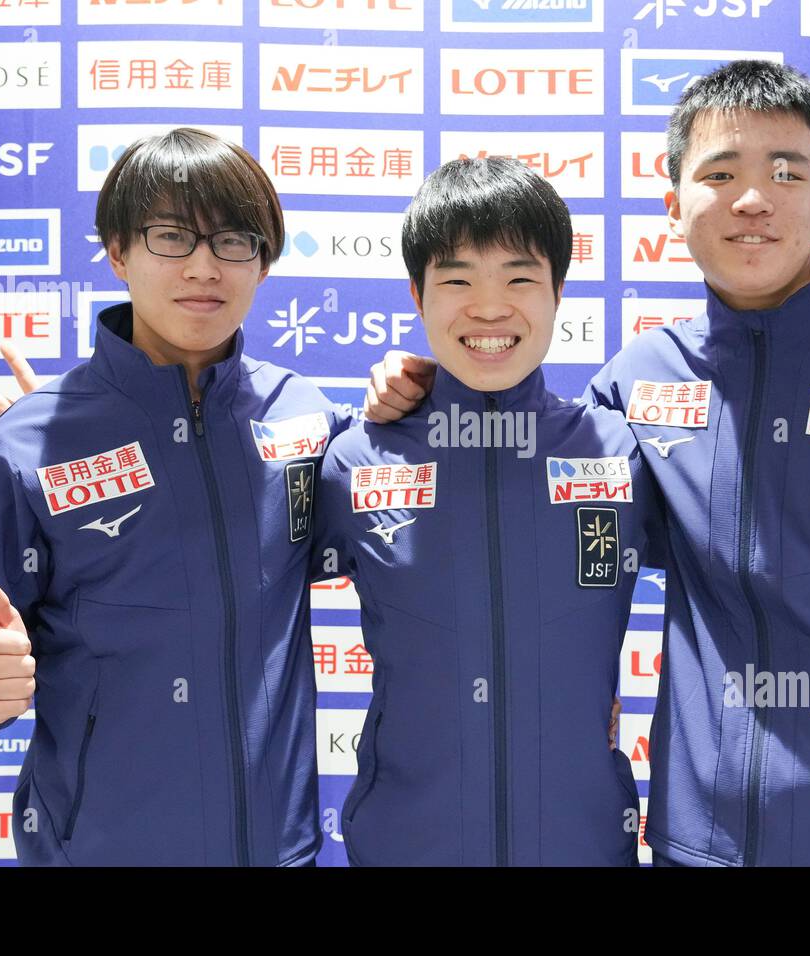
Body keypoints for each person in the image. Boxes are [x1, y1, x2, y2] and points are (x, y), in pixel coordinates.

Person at [367, 61, 810, 865]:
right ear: (672, 207)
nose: (752, 199)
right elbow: (544, 514)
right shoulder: (636, 382)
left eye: (784, 172)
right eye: (719, 173)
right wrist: (422, 398)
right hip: (702, 836)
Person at [0, 129, 348, 866]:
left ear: (265, 260)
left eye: (234, 241)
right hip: (99, 849)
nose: (203, 266)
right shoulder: (25, 444)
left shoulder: (305, 416)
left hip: (279, 850)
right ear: (118, 253)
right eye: (171, 236)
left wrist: (418, 399)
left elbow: (414, 535)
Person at [312, 158, 660, 866]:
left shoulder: (622, 452)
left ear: (560, 291)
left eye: (521, 277)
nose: (491, 307)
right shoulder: (357, 458)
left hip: (585, 843)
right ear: (417, 294)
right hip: (406, 846)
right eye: (458, 279)